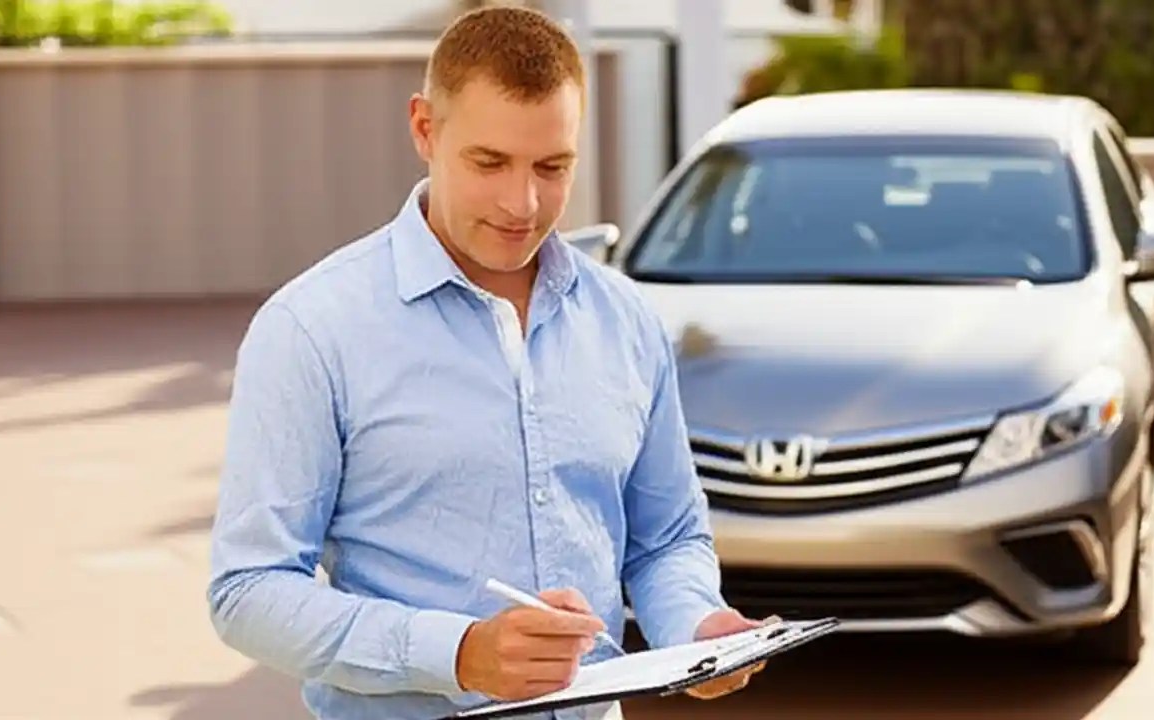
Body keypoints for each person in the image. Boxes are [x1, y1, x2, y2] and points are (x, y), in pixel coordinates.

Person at [206, 6, 767, 719]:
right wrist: (457, 651)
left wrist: (698, 626)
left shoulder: (627, 322)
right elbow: (247, 590)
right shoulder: (312, 330)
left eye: (552, 167)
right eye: (489, 162)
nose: (522, 203)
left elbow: (667, 540)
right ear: (424, 129)